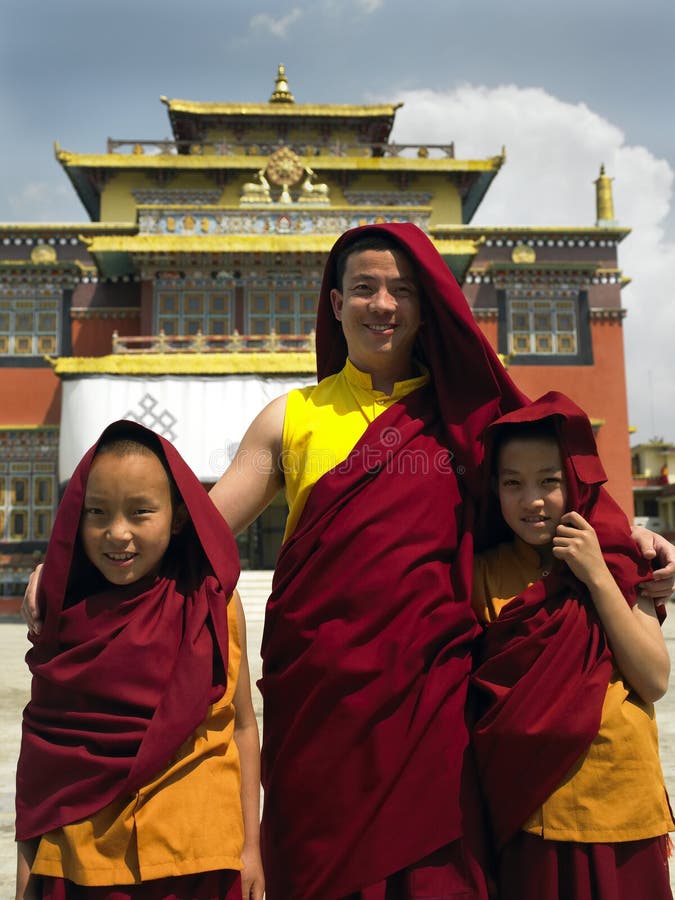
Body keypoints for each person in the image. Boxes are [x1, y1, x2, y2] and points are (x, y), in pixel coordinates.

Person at [22, 223, 675, 899]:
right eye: (363, 288)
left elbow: (549, 487)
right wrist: (65, 565)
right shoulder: (288, 421)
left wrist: (634, 538)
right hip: (319, 703)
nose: (382, 304)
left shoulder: (465, 422)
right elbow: (199, 529)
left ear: (425, 307)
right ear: (335, 304)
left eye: (400, 290)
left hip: (428, 703)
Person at [16, 421, 264, 900]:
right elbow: (46, 754)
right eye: (97, 513)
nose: (117, 533)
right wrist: (29, 873)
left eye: (140, 512)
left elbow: (241, 727)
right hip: (83, 860)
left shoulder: (210, 601)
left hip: (200, 853)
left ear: (177, 516)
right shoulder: (64, 617)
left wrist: (251, 849)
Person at [471, 392, 674, 900]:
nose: (532, 500)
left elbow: (652, 679)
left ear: (575, 483)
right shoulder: (484, 574)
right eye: (513, 483)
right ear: (493, 488)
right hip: (530, 809)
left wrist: (598, 574)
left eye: (550, 481)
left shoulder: (622, 560)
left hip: (621, 804)